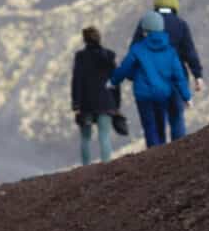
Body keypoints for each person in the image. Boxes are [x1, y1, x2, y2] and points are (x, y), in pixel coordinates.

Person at [130, 0, 204, 138]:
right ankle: (180, 150)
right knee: (177, 118)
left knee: (158, 122)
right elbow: (190, 52)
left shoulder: (146, 23)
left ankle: (159, 152)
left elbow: (134, 51)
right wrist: (198, 76)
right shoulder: (181, 24)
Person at [111, 11, 192, 147]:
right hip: (163, 94)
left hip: (143, 95)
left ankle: (154, 152)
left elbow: (125, 68)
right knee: (161, 124)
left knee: (149, 126)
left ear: (145, 31)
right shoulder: (170, 51)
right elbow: (179, 75)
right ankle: (163, 152)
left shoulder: (137, 49)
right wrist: (187, 96)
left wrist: (114, 81)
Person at [71, 26, 118, 164]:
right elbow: (115, 81)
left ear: (85, 40)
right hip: (106, 101)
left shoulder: (81, 57)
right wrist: (116, 103)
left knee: (85, 138)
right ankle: (107, 166)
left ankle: (86, 167)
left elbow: (77, 80)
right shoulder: (109, 56)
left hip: (86, 104)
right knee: (104, 136)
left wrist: (76, 103)